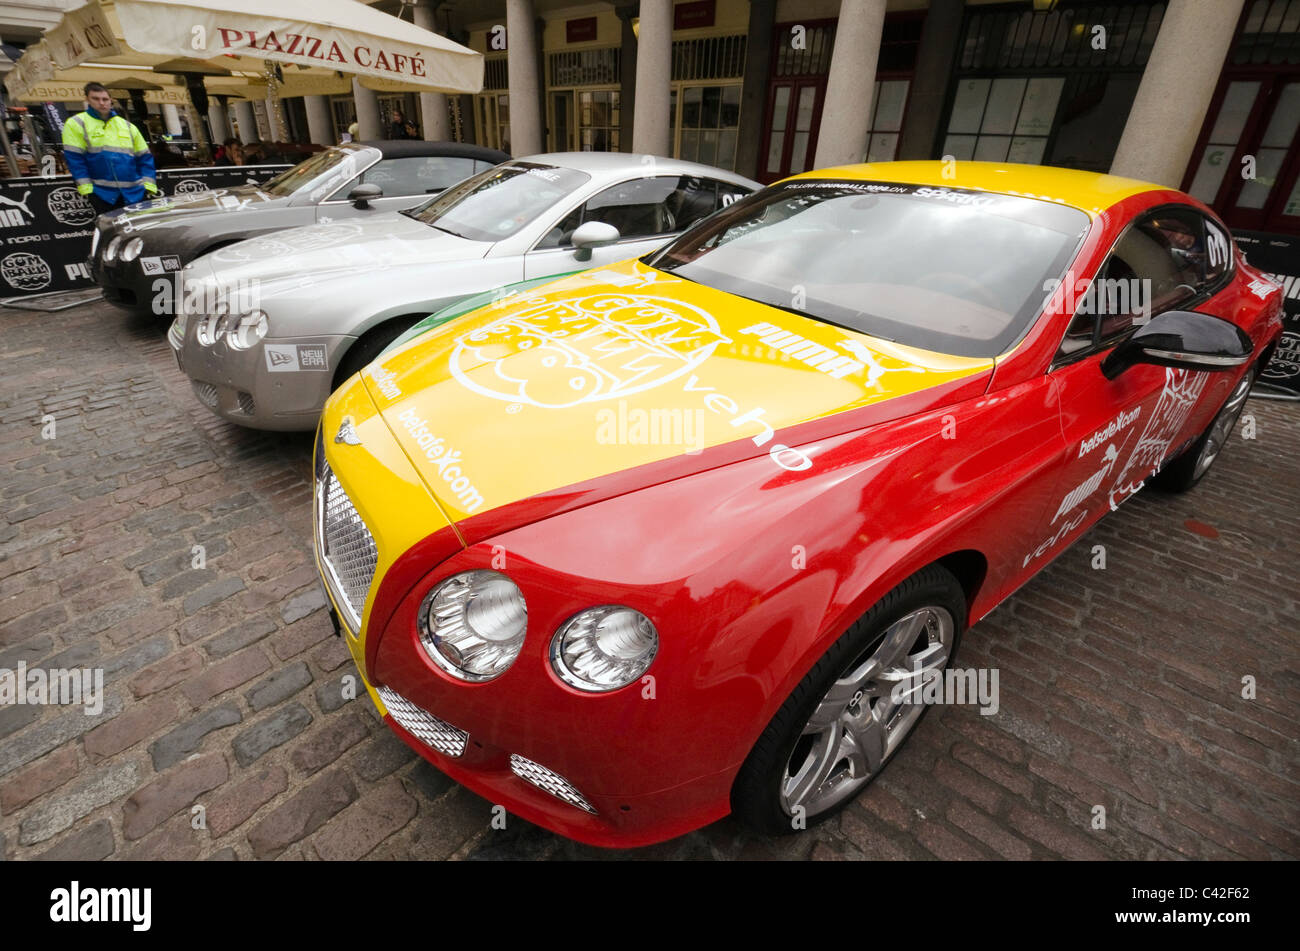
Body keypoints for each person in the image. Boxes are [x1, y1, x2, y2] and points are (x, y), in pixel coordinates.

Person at [61, 82, 159, 213]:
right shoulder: (76, 123)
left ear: (111, 101)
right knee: (112, 232)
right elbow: (75, 159)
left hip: (135, 193)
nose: (102, 103)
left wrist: (148, 187)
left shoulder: (127, 126)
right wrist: (88, 190)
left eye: (105, 99)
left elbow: (144, 157)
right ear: (87, 99)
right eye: (96, 99)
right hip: (102, 194)